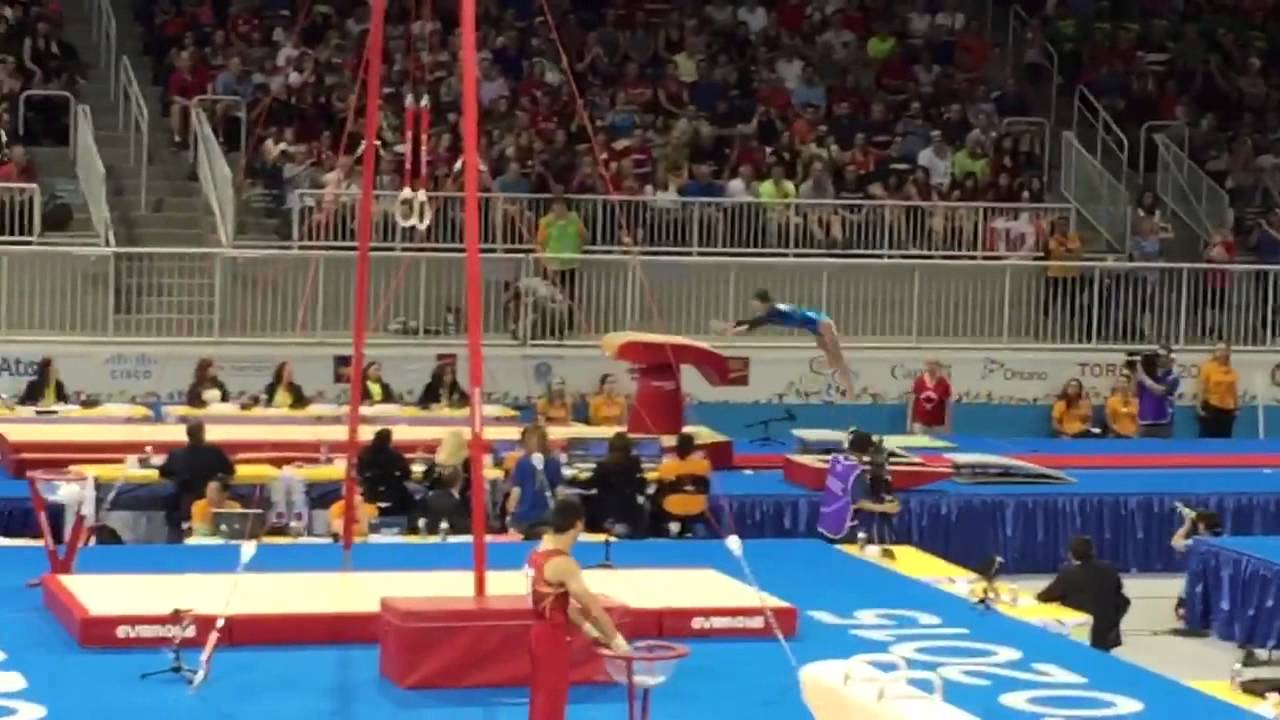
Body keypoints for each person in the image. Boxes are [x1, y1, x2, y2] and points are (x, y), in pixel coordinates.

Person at [527, 498, 629, 720]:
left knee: (544, 696)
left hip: (539, 632)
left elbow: (564, 605)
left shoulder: (538, 550)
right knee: (551, 699)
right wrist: (616, 638)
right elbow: (590, 604)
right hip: (552, 635)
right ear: (579, 524)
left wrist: (592, 632)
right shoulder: (563, 563)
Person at [725, 289, 854, 398]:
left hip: (821, 323)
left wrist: (734, 330)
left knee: (837, 357)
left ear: (764, 303)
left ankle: (850, 390)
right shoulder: (772, 312)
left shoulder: (774, 310)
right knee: (827, 353)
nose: (755, 308)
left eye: (756, 305)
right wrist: (735, 326)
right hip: (813, 326)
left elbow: (756, 323)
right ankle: (837, 373)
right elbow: (754, 322)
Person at [1035, 536, 1130, 652]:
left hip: (1079, 630)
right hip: (1104, 631)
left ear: (1071, 554)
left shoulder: (1068, 574)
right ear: (1093, 551)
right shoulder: (1109, 570)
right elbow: (1119, 594)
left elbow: (1046, 596)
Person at [159, 420, 236, 542]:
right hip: (209, 505)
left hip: (187, 505)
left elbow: (164, 473)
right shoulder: (214, 452)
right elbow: (230, 471)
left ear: (187, 434)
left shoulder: (176, 454)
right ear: (203, 433)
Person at [583, 432, 645, 536]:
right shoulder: (635, 465)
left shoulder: (602, 466)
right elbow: (641, 486)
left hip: (605, 512)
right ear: (629, 448)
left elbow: (590, 485)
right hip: (629, 511)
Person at [507, 424, 564, 536]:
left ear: (524, 443)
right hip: (548, 519)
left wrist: (510, 514)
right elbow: (560, 494)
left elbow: (515, 494)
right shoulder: (554, 463)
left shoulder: (522, 463)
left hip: (524, 520)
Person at [654, 432, 713, 537]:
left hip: (671, 508)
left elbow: (662, 488)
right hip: (697, 507)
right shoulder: (705, 465)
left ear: (676, 447)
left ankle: (669, 530)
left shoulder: (665, 466)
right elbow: (706, 486)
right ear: (693, 448)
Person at [357, 428, 415, 518]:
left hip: (371, 491)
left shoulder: (364, 453)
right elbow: (406, 474)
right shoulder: (395, 455)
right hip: (392, 491)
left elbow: (360, 472)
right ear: (389, 440)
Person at [1135, 346, 1179, 438]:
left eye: (1161, 356)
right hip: (1143, 421)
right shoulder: (1147, 374)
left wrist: (1142, 376)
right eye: (1156, 356)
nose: (1158, 358)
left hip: (1162, 423)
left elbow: (1159, 391)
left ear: (1170, 358)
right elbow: (1135, 392)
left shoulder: (1172, 376)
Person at [1198, 341, 1238, 438]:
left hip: (1228, 409)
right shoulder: (1208, 367)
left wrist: (1236, 407)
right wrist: (1198, 406)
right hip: (1212, 407)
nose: (1220, 352)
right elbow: (1202, 387)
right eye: (1217, 350)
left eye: (1223, 350)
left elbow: (1233, 390)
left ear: (1228, 352)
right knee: (1208, 438)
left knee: (1225, 438)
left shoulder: (1231, 370)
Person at [906, 360, 950, 434]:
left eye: (934, 365)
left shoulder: (944, 383)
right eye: (929, 365)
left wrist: (947, 426)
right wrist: (909, 426)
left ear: (938, 367)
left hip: (938, 425)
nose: (931, 367)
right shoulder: (918, 381)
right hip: (920, 424)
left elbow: (947, 406)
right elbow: (911, 404)